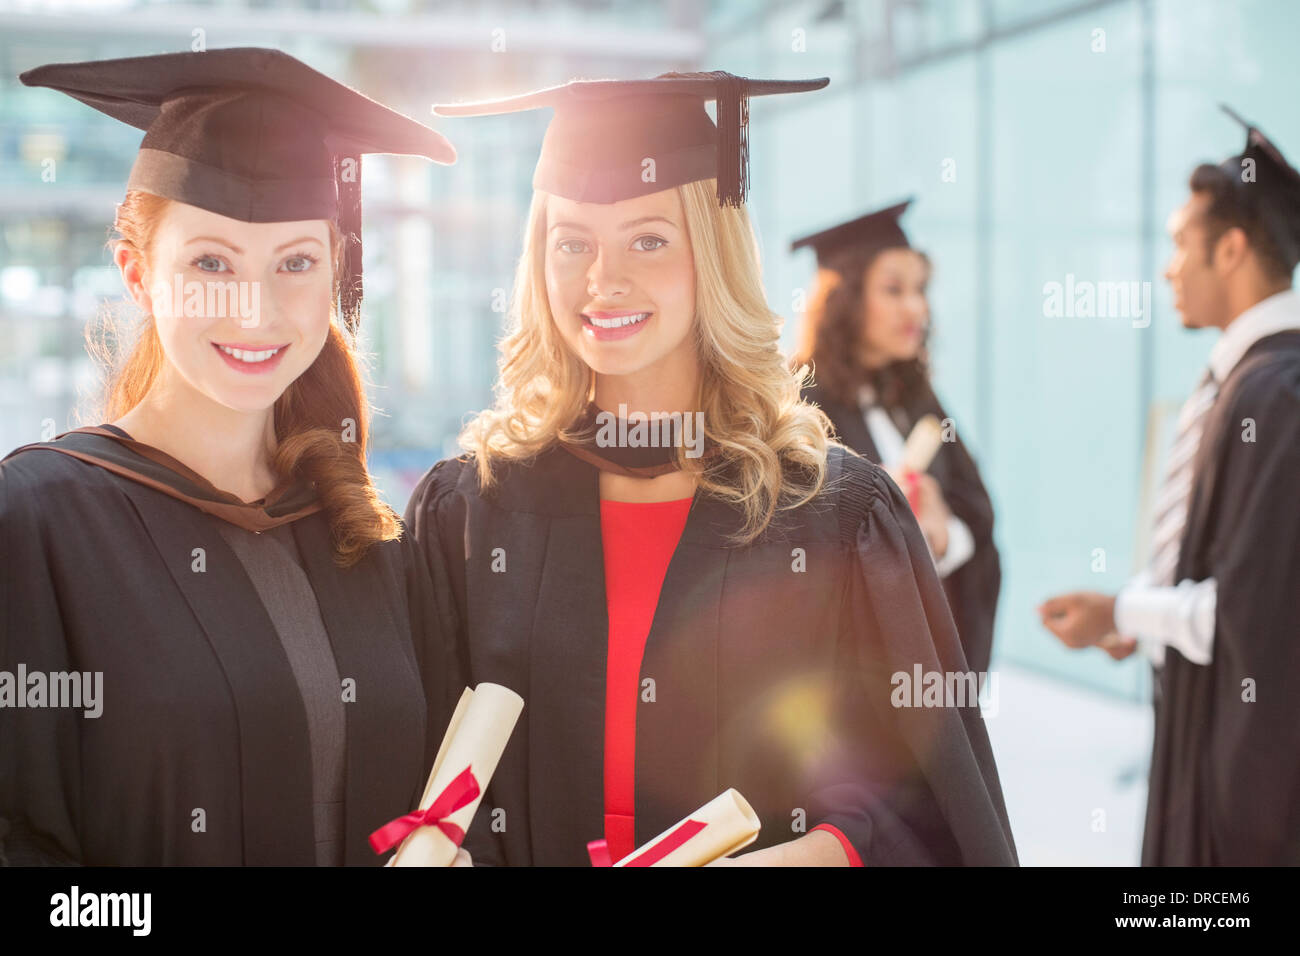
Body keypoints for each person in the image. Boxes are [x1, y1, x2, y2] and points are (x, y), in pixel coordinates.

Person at [408, 71, 1018, 866]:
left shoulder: (835, 515)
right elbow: (409, 780)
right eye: (573, 242)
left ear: (712, 253)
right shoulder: (471, 511)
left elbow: (923, 805)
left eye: (649, 239)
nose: (604, 279)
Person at [0, 48, 465, 866]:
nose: (254, 308)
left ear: (335, 278)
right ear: (138, 275)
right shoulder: (36, 523)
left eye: (295, 263)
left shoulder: (363, 536)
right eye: (211, 262)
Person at [1039, 105, 1300, 865]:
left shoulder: (1274, 396)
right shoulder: (1244, 384)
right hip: (1206, 733)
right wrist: (1144, 624)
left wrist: (1120, 608)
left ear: (1233, 249)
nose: (1167, 267)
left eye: (1181, 243)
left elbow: (1254, 617)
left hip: (1247, 782)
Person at [792, 200, 1001, 675]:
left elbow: (980, 516)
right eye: (894, 289)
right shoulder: (798, 407)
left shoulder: (917, 398)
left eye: (921, 289)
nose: (917, 308)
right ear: (843, 300)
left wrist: (943, 532)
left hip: (932, 663)